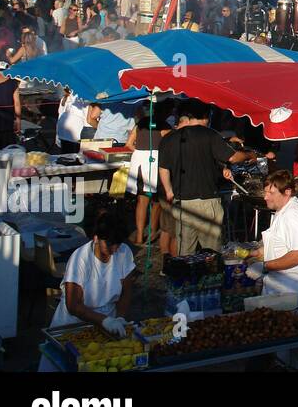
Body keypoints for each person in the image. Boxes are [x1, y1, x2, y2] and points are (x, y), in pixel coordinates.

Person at [158, 99, 258, 255]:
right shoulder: (209, 134)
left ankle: (186, 278)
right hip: (207, 201)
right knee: (211, 252)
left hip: (182, 202)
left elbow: (163, 168)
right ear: (205, 116)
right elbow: (232, 157)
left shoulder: (169, 138)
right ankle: (210, 278)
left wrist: (169, 191)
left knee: (184, 250)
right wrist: (249, 155)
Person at [48, 210, 135, 334]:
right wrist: (104, 321)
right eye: (109, 243)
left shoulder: (124, 252)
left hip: (108, 323)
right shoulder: (80, 258)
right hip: (73, 325)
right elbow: (73, 305)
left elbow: (126, 292)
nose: (114, 249)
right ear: (96, 238)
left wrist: (120, 317)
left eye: (118, 243)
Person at [249, 170, 298, 306]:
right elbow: (280, 242)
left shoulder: (293, 216)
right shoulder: (284, 209)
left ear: (287, 192)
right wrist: (254, 254)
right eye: (265, 192)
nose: (265, 198)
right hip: (280, 291)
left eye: (271, 193)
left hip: (292, 294)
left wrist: (264, 266)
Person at [125, 106, 167, 245]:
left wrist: (140, 151)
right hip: (156, 164)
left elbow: (129, 144)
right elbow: (170, 144)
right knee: (157, 201)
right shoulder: (164, 125)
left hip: (140, 163)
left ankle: (139, 238)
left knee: (142, 201)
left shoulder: (139, 124)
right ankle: (152, 232)